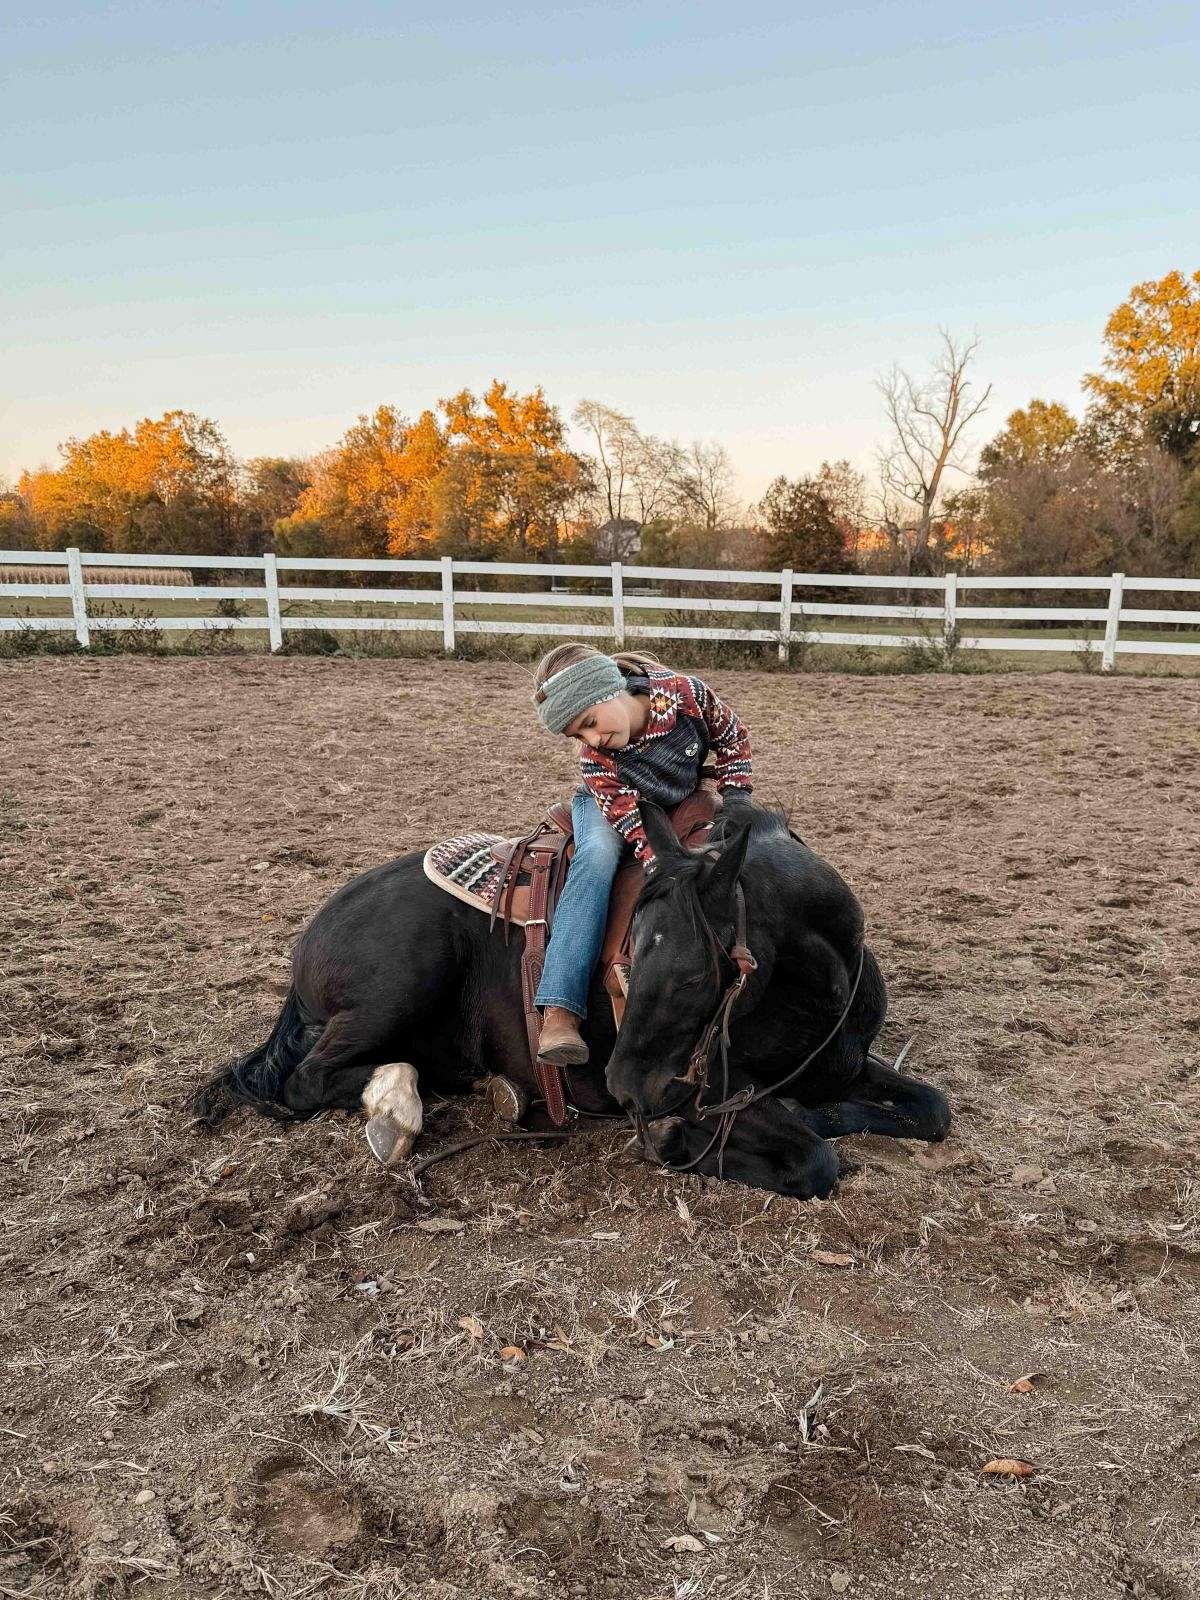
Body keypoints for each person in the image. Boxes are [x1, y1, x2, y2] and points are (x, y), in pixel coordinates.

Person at [530, 644, 753, 1066]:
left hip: (681, 797)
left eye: (590, 723)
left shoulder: (686, 694)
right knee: (596, 857)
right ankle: (560, 1008)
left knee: (732, 845)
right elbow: (631, 822)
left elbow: (731, 736)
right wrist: (657, 863)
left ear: (608, 690)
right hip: (613, 807)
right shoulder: (596, 760)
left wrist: (738, 796)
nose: (592, 739)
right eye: (578, 735)